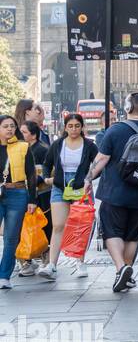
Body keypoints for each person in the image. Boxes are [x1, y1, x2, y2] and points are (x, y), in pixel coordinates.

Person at [83, 92, 138, 294]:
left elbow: (102, 159)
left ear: (128, 108)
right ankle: (125, 274)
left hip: (115, 192)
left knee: (112, 232)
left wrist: (88, 179)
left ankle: (122, 268)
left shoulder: (115, 130)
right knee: (132, 236)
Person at [38, 113, 97, 279]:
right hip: (59, 187)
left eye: (77, 126)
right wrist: (48, 178)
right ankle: (52, 264)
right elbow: (46, 163)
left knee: (80, 225)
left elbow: (99, 163)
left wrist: (89, 179)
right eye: (70, 126)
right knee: (58, 225)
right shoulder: (58, 144)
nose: (74, 129)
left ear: (82, 127)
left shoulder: (89, 145)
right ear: (65, 127)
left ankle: (80, 262)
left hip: (80, 187)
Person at [0, 115, 39, 290]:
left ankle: (4, 276)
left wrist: (32, 199)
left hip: (17, 193)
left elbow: (31, 174)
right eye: (5, 126)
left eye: (12, 126)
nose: (9, 129)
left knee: (11, 238)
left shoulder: (23, 147)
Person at [17, 121, 50, 277]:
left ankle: (44, 258)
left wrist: (32, 179)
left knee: (40, 228)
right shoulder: (20, 149)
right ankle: (26, 261)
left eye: (24, 132)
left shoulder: (42, 150)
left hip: (41, 195)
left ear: (33, 134)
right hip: (25, 194)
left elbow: (46, 174)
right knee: (23, 228)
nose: (20, 134)